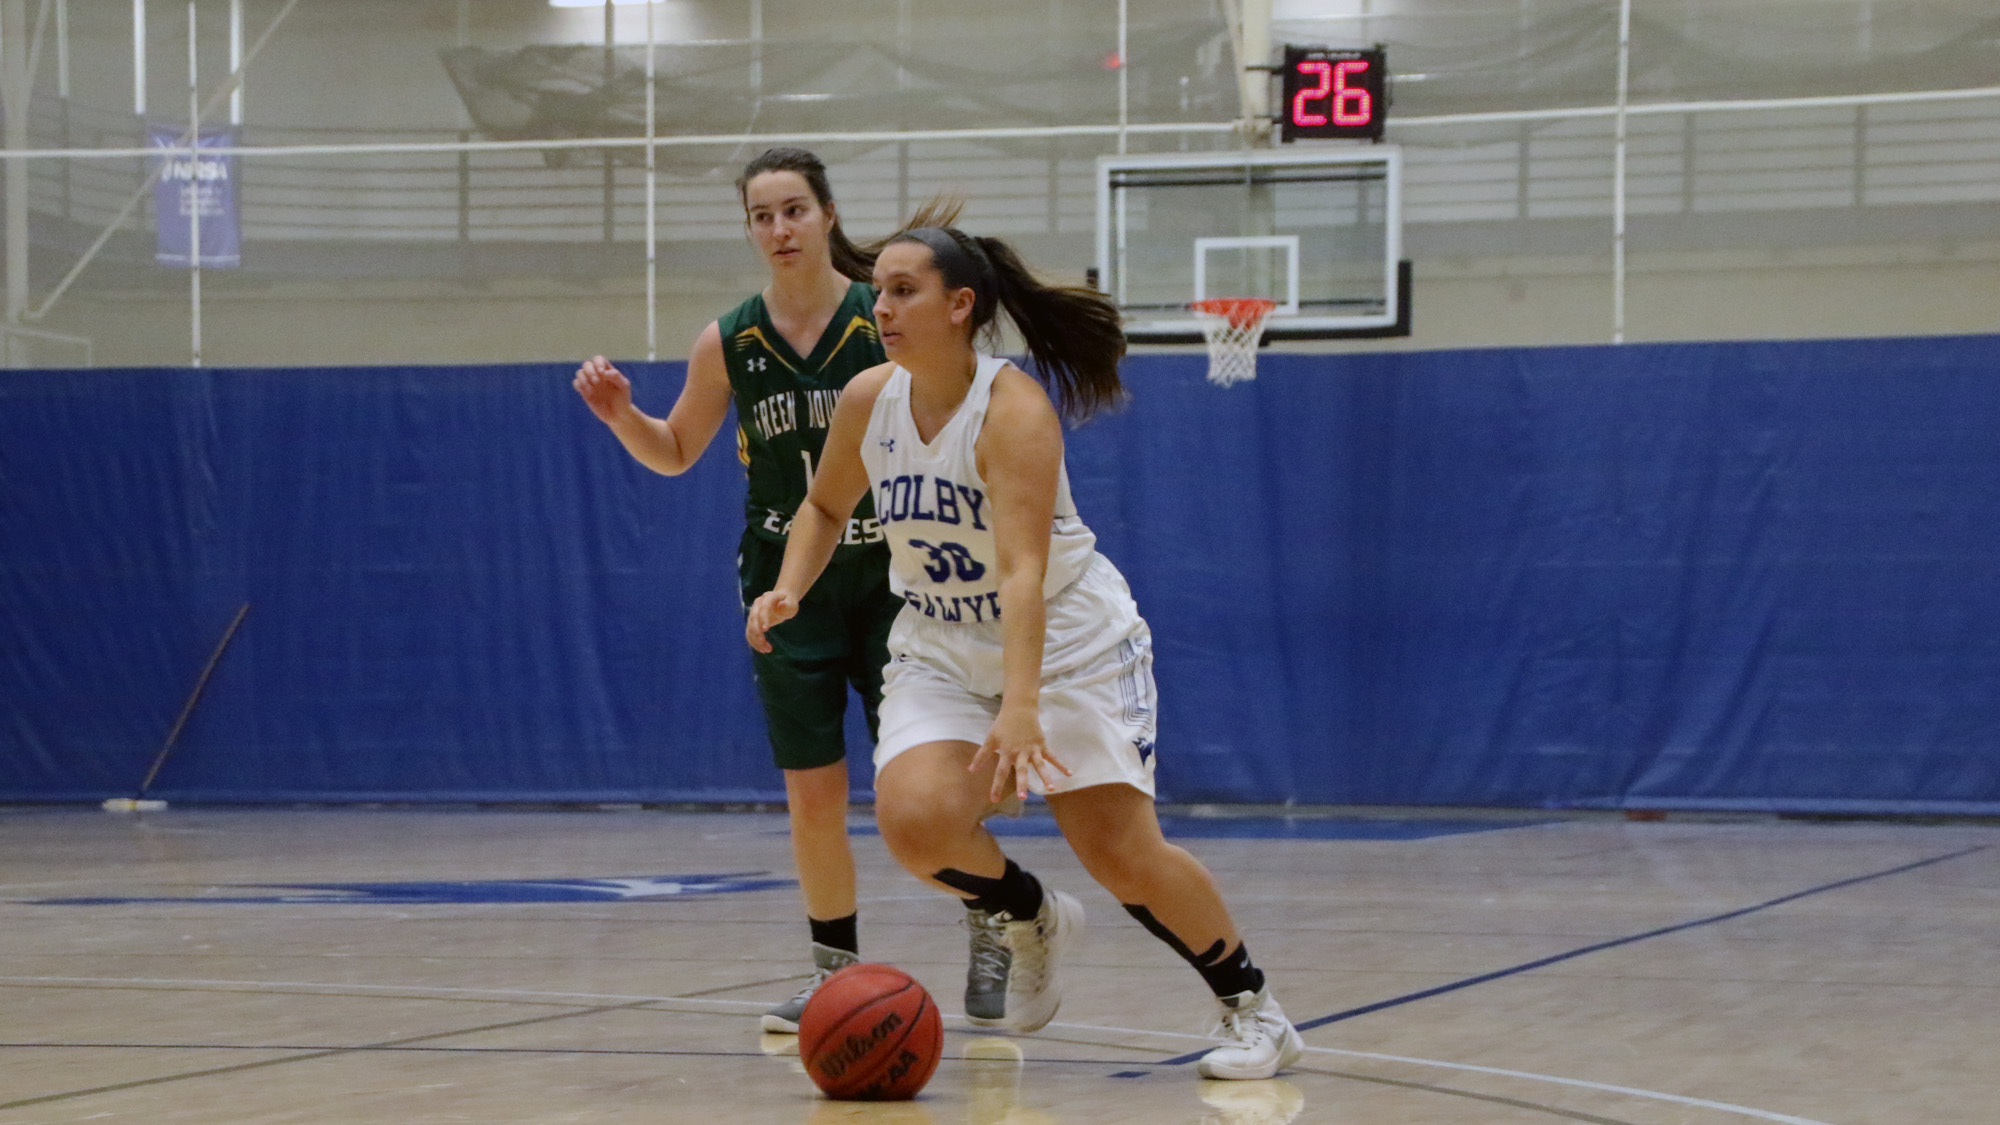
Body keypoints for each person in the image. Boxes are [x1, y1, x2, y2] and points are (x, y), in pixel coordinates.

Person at [744, 222, 1306, 1079]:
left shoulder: (1012, 411)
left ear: (959, 305)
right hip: (938, 639)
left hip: (1064, 644)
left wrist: (1019, 704)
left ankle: (1253, 1008)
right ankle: (1028, 911)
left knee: (1120, 852)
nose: (882, 308)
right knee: (915, 819)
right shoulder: (868, 398)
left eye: (904, 291)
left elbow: (1022, 575)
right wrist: (790, 585)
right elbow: (822, 508)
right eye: (881, 291)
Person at [572, 149, 1008, 1034]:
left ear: (828, 215)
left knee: (923, 793)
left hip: (899, 580)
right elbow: (677, 449)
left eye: (794, 210)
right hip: (787, 581)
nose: (779, 229)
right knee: (812, 791)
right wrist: (624, 417)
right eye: (762, 215)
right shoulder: (728, 338)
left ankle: (995, 918)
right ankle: (833, 968)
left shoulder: (881, 316)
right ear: (749, 228)